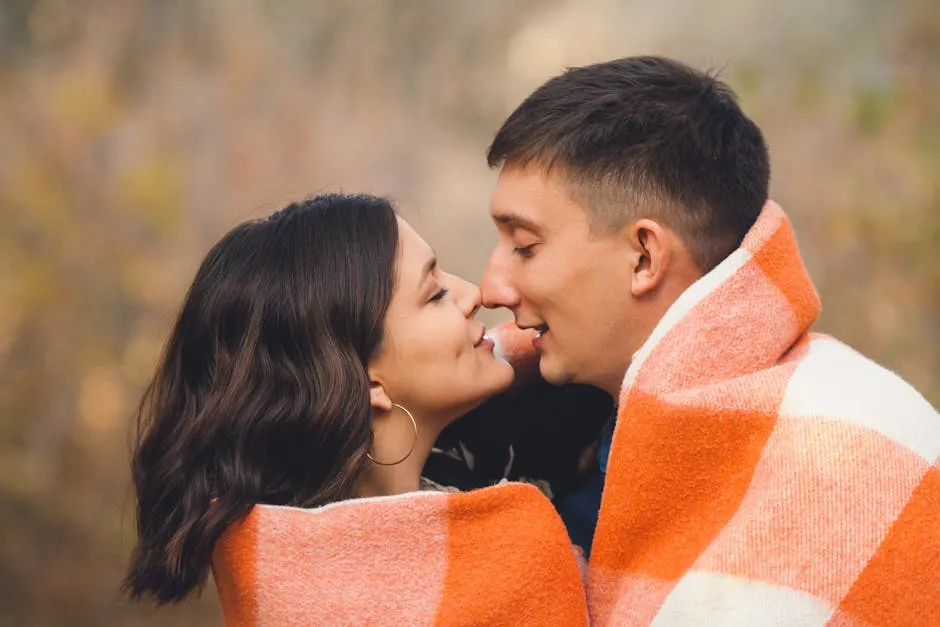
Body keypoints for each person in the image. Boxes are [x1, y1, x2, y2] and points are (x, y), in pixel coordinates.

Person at [481, 56, 940, 625]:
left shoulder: (853, 447)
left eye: (525, 246)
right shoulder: (557, 439)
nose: (490, 288)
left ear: (644, 257)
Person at [123, 194, 589, 625]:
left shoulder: (511, 451)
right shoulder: (506, 544)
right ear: (367, 381)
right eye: (435, 294)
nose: (475, 295)